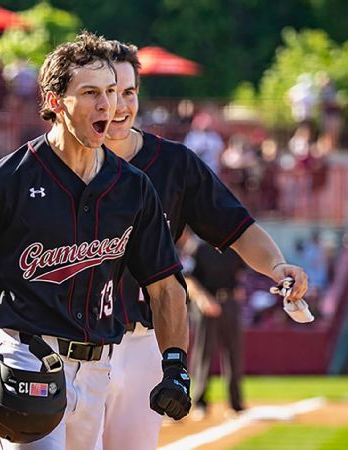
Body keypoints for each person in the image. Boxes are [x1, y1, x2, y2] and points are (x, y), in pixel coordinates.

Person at [0, 32, 191, 450]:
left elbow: (164, 285)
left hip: (97, 368)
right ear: (54, 101)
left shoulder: (133, 188)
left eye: (111, 91)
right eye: (90, 93)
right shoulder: (7, 179)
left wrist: (175, 364)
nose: (108, 104)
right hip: (24, 361)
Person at [96, 41, 309, 450]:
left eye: (128, 92)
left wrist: (278, 266)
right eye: (104, 92)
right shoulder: (55, 166)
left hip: (142, 343)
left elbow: (237, 227)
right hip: (70, 345)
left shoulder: (175, 164)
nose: (117, 105)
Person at [187, 243, 247, 419]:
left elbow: (240, 272)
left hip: (229, 303)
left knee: (234, 353)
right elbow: (189, 278)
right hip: (206, 304)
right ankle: (200, 402)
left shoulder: (235, 247)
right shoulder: (199, 248)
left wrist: (236, 289)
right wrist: (203, 298)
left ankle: (236, 404)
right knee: (203, 354)